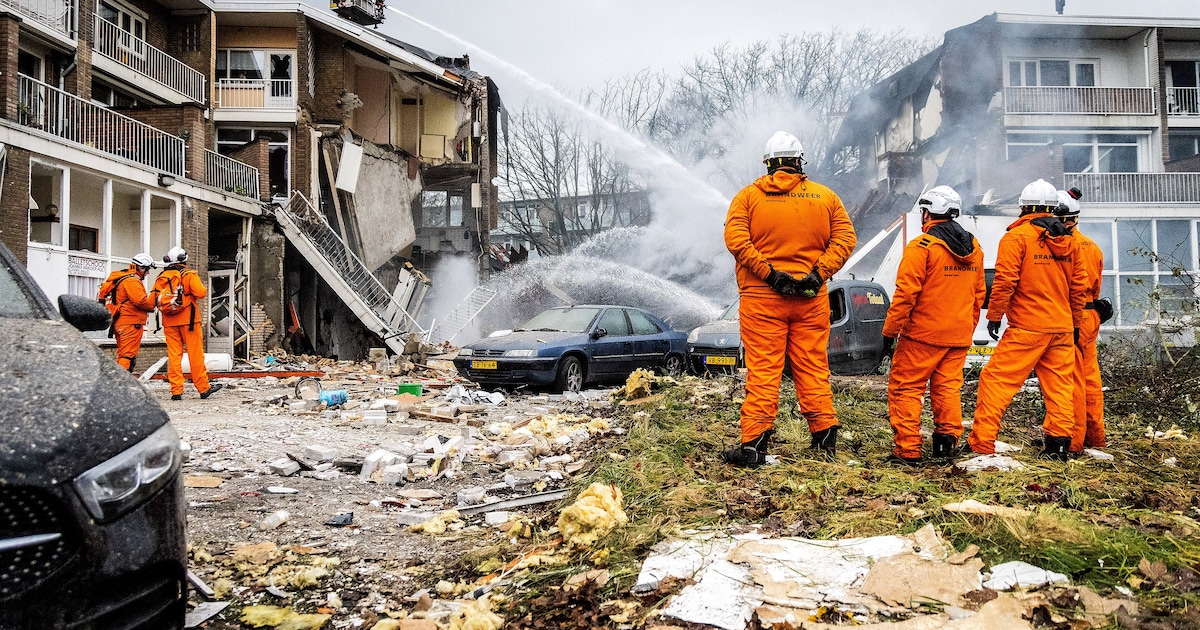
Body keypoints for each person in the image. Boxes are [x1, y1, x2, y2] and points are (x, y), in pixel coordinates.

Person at [721, 130, 856, 467]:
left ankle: (753, 446)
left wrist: (769, 274)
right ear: (799, 162)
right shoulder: (826, 198)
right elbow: (845, 239)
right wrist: (817, 273)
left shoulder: (747, 198)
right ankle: (825, 440)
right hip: (811, 299)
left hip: (762, 299)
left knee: (764, 371)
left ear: (769, 164)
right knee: (813, 368)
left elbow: (736, 240)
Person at [967, 179, 1087, 460]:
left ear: (1023, 207)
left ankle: (982, 443)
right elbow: (1078, 288)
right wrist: (1076, 325)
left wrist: (994, 316)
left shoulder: (1016, 238)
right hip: (1062, 328)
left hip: (1028, 328)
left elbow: (1005, 280)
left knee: (995, 381)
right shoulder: (1070, 242)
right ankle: (1058, 446)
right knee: (1059, 389)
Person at [881, 186, 986, 464]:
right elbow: (978, 295)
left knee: (906, 389)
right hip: (958, 336)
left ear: (927, 213)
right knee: (947, 389)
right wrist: (966, 327)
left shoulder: (921, 247)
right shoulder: (975, 248)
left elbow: (905, 296)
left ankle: (908, 450)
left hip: (922, 337)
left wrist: (889, 332)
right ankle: (945, 446)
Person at [1056, 188, 1109, 453]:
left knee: (1073, 382)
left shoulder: (1064, 247)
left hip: (1072, 316)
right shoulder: (1092, 246)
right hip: (1091, 315)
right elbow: (1095, 288)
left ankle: (1074, 442)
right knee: (1091, 381)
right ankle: (1096, 439)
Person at [154, 246, 222, 401]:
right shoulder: (189, 275)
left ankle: (176, 391)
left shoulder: (162, 277)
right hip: (189, 321)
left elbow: (154, 299)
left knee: (174, 356)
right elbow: (201, 292)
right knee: (195, 355)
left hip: (169, 322)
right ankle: (203, 388)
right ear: (184, 259)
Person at [98, 253, 159, 372]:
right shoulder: (132, 281)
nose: (148, 273)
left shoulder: (122, 278)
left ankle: (120, 382)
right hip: (131, 323)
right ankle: (121, 383)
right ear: (141, 268)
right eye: (147, 270)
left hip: (121, 322)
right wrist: (153, 303)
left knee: (124, 355)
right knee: (128, 357)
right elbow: (140, 300)